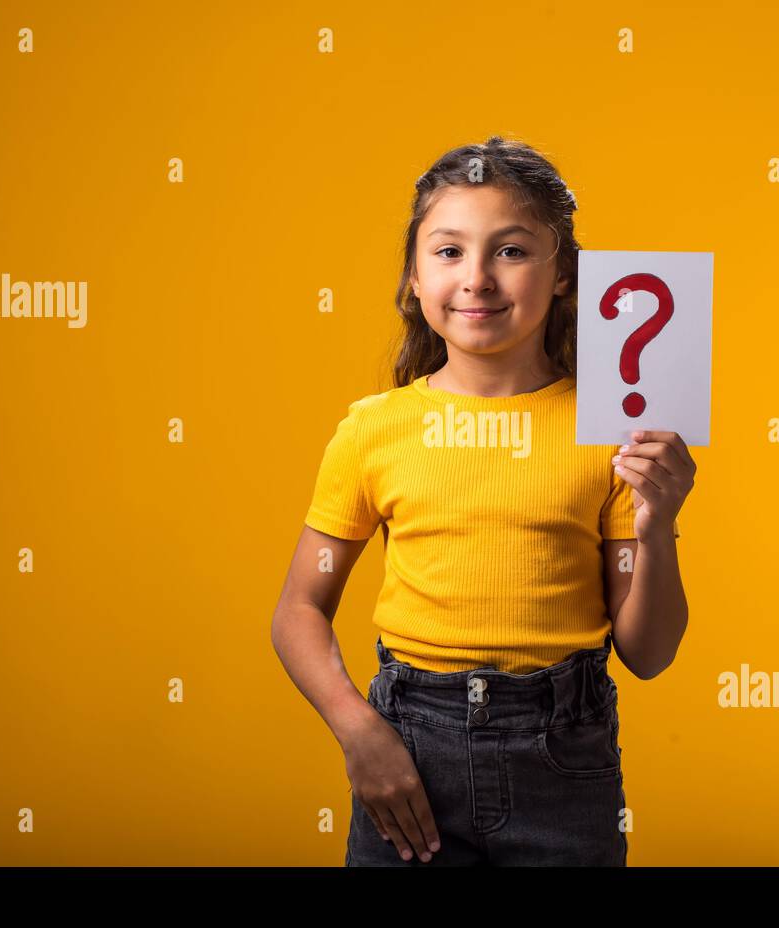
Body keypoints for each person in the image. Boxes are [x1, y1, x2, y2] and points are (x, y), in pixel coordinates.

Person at [271, 135, 696, 866]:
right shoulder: (373, 430)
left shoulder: (614, 434)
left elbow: (648, 652)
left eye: (511, 251)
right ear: (412, 276)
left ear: (563, 274)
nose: (477, 279)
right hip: (407, 755)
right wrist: (361, 732)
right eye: (448, 252)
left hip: (565, 761)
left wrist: (657, 528)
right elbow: (298, 610)